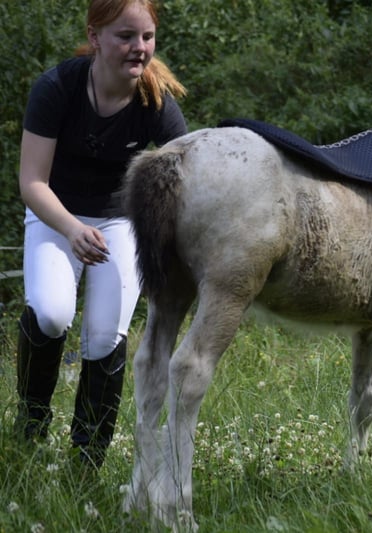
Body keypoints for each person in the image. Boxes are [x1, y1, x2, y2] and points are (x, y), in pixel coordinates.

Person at [14, 0, 187, 469]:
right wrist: (71, 229)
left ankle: (86, 459)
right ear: (95, 38)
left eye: (147, 36)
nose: (140, 48)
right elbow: (31, 182)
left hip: (118, 222)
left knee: (104, 335)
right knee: (51, 313)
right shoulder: (56, 88)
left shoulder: (155, 101)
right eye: (126, 37)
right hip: (56, 216)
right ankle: (29, 428)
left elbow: (188, 170)